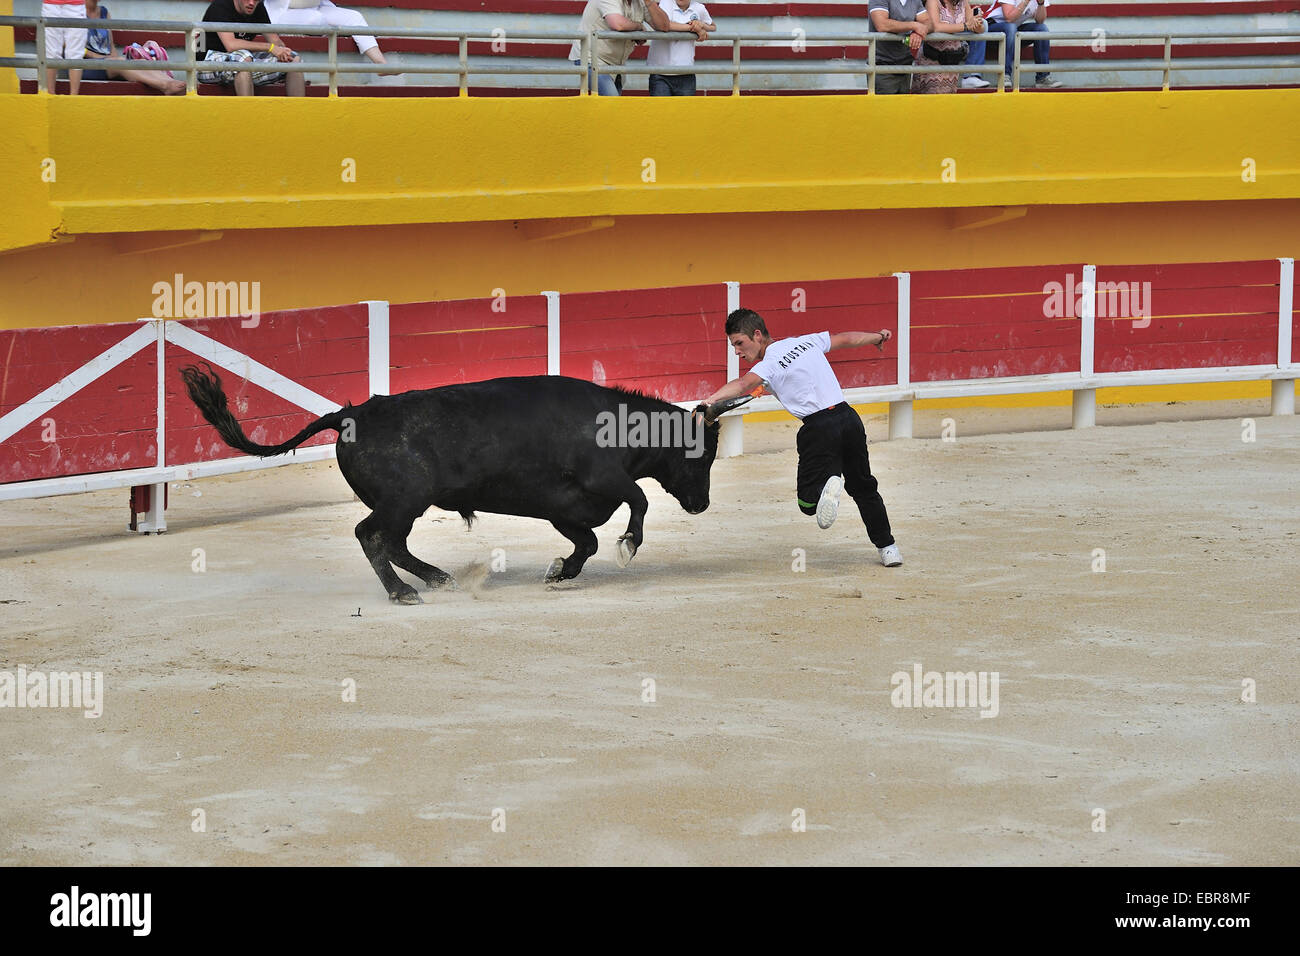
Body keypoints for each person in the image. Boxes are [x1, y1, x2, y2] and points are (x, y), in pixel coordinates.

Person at [702, 309, 903, 568]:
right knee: (864, 487)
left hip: (818, 429)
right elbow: (846, 339)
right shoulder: (806, 341)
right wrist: (877, 337)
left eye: (739, 343)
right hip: (848, 418)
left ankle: (826, 486)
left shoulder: (767, 365)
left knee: (807, 503)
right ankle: (888, 548)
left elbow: (742, 384)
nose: (737, 351)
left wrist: (711, 399)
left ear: (757, 334)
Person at [567, 0, 691, 96]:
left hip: (616, 65)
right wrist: (639, 27)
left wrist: (649, 2)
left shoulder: (641, 2)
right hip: (592, 60)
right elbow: (618, 24)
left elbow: (663, 26)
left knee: (607, 112)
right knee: (613, 105)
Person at [197, 0, 306, 96]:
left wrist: (283, 53)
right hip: (206, 64)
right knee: (243, 57)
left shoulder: (258, 7)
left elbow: (275, 41)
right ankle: (249, 115)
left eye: (256, 0)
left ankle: (298, 115)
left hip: (240, 66)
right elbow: (231, 45)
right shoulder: (220, 5)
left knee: (293, 59)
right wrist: (270, 47)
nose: (251, 3)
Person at [82, 0, 186, 94]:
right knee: (120, 63)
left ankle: (170, 81)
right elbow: (73, 49)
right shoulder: (75, 13)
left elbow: (111, 46)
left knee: (141, 62)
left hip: (107, 63)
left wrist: (113, 58)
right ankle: (165, 86)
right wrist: (103, 58)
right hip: (85, 65)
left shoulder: (104, 12)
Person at [263, 0, 396, 74]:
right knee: (315, 20)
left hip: (317, 6)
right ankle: (338, 30)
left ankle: (380, 64)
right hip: (285, 10)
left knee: (354, 16)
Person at [985, 0, 1062, 87]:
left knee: (1042, 29)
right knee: (1011, 27)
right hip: (990, 29)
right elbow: (1009, 18)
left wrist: (1040, 4)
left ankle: (1042, 78)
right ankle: (1005, 76)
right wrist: (1026, 1)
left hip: (1012, 31)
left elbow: (1040, 20)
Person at [913, 0, 983, 94]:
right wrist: (965, 26)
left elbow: (977, 28)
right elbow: (936, 26)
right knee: (931, 104)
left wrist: (977, 21)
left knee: (949, 104)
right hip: (932, 63)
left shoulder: (963, 2)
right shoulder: (933, 1)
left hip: (952, 63)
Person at [647, 0, 713, 96]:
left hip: (686, 71)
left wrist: (701, 25)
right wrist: (693, 28)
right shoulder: (666, 3)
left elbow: (712, 27)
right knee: (661, 110)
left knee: (685, 110)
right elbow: (664, 25)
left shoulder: (698, 8)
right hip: (660, 72)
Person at [867, 0, 932, 95]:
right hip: (882, 66)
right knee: (884, 108)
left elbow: (929, 23)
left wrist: (918, 33)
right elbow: (881, 24)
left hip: (905, 65)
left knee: (902, 108)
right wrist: (914, 26)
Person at [42, 0, 87, 94]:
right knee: (52, 53)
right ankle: (50, 94)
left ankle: (73, 97)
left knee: (75, 54)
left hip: (76, 5)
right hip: (51, 4)